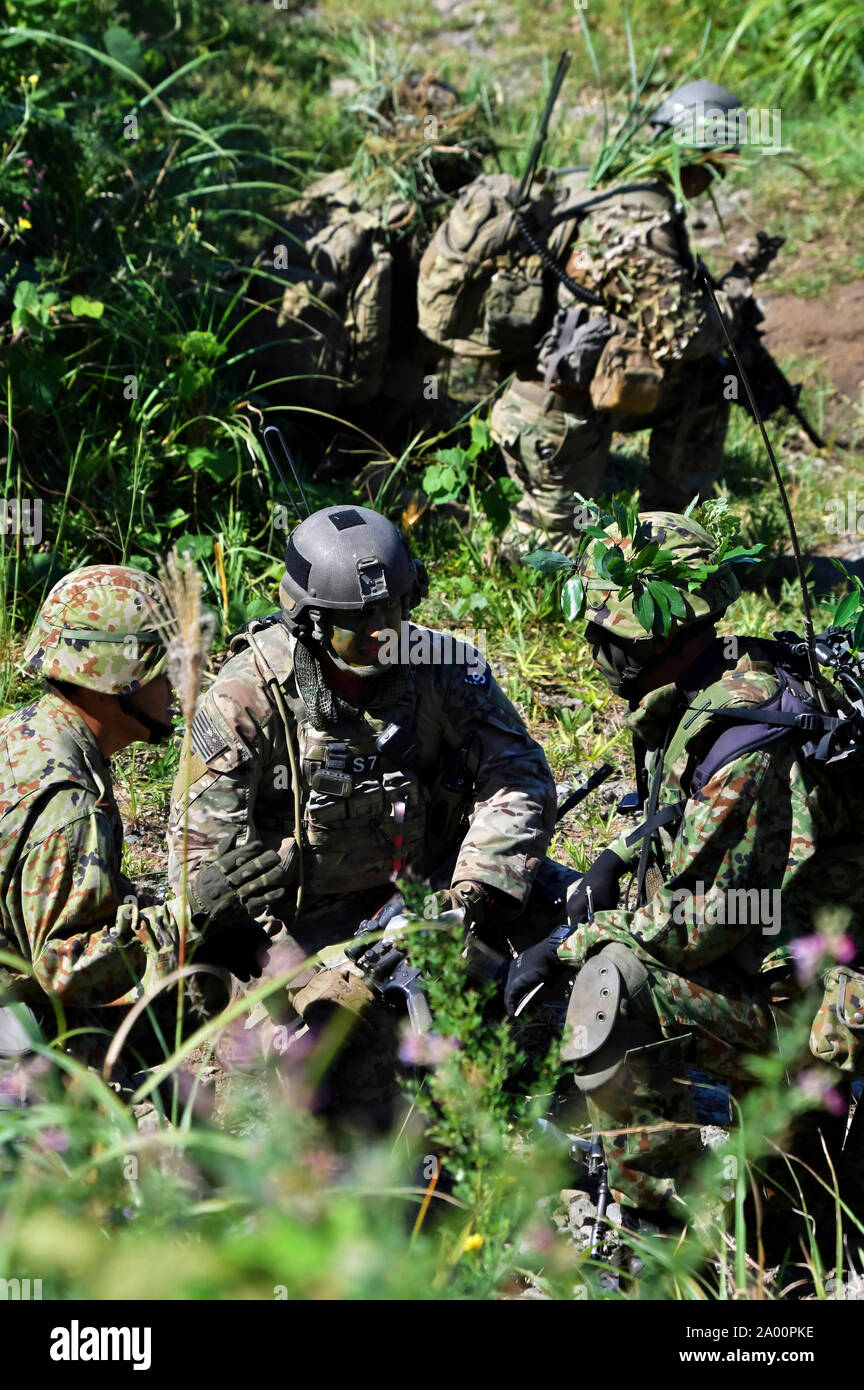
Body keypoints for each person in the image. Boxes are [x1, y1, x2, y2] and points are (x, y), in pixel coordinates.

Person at [505, 510, 864, 1226]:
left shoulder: (749, 743)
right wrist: (619, 856)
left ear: (658, 639)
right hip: (777, 952)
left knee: (614, 978)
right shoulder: (715, 686)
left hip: (815, 1000)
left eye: (608, 638)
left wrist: (570, 945)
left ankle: (668, 1221)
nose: (594, 652)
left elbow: (707, 924)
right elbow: (686, 821)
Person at [167, 504, 559, 1119]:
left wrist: (472, 894)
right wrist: (308, 980)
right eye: (360, 617)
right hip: (298, 928)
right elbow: (203, 870)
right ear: (313, 621)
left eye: (394, 608)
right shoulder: (245, 701)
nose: (384, 630)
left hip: (432, 898)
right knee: (328, 1065)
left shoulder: (447, 668)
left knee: (567, 935)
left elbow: (520, 775)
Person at [0, 565, 285, 1093]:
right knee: (190, 994)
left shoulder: (30, 732)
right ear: (113, 681)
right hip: (13, 1028)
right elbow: (65, 967)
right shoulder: (70, 807)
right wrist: (193, 914)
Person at [486, 81, 766, 554]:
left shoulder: (610, 182)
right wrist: (736, 290)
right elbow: (687, 337)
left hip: (557, 396)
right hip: (552, 418)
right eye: (720, 160)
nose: (720, 176)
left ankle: (673, 522)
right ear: (701, 155)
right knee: (551, 564)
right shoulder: (642, 213)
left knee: (707, 385)